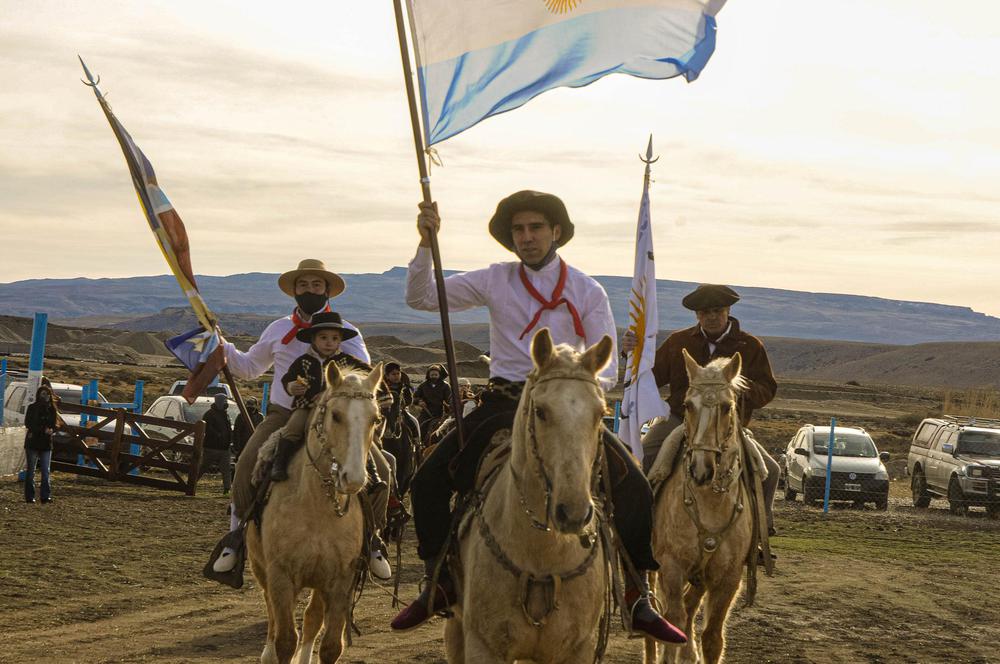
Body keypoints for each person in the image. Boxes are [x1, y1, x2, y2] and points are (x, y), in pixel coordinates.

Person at [389, 191, 685, 644]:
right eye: (518, 231)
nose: (526, 238)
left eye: (535, 228)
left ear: (556, 233)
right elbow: (422, 298)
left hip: (567, 404)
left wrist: (575, 396)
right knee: (429, 478)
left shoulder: (587, 289)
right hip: (505, 400)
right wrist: (427, 243)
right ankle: (438, 580)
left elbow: (602, 362)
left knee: (635, 486)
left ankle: (637, 593)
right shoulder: (494, 279)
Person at [209, 259, 378, 574]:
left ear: (327, 290)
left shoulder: (348, 332)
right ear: (295, 291)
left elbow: (361, 378)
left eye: (316, 285)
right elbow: (248, 368)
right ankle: (236, 538)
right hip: (285, 413)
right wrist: (220, 343)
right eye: (304, 285)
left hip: (337, 418)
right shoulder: (278, 328)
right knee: (246, 465)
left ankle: (372, 539)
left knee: (382, 469)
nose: (310, 290)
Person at [626, 284, 780, 533]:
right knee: (641, 460)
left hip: (726, 424)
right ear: (697, 315)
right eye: (704, 312)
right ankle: (638, 525)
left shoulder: (750, 346)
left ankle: (759, 534)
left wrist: (735, 390)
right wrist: (631, 355)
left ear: (728, 310)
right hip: (680, 419)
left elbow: (767, 388)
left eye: (717, 311)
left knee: (770, 472)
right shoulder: (679, 342)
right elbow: (651, 377)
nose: (711, 317)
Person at [266, 310, 393, 580]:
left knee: (386, 467)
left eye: (334, 338)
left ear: (340, 341)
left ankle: (373, 538)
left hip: (344, 422)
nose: (329, 342)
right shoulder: (303, 362)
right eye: (323, 337)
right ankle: (276, 467)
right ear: (313, 339)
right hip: (307, 411)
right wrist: (293, 389)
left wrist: (370, 407)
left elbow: (379, 392)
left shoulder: (352, 363)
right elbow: (288, 381)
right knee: (290, 430)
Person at [23, 384, 60, 504]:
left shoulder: (52, 409)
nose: (46, 396)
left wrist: (52, 430)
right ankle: (30, 496)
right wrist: (42, 429)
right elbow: (28, 423)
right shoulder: (32, 408)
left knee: (45, 470)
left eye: (48, 394)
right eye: (43, 394)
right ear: (39, 395)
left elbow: (55, 424)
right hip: (33, 441)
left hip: (46, 443)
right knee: (31, 470)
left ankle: (45, 496)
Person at [200, 393, 234, 495]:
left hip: (224, 448)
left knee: (226, 469)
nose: (225, 403)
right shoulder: (209, 414)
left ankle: (227, 489)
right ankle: (191, 483)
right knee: (204, 467)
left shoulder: (225, 414)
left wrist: (229, 439)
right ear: (218, 401)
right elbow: (208, 428)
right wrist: (218, 435)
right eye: (224, 401)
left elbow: (228, 428)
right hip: (212, 447)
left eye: (226, 401)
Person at [413, 364, 450, 430]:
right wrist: (419, 402)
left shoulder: (445, 386)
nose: (434, 377)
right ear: (428, 375)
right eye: (432, 375)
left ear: (439, 375)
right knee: (417, 428)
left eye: (436, 375)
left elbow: (449, 399)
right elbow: (415, 397)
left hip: (440, 413)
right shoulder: (423, 385)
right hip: (426, 413)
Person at [232, 396, 263, 462]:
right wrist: (237, 445)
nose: (250, 407)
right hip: (243, 444)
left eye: (252, 405)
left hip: (255, 444)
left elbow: (262, 431)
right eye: (249, 404)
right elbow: (237, 431)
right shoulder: (241, 416)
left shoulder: (260, 417)